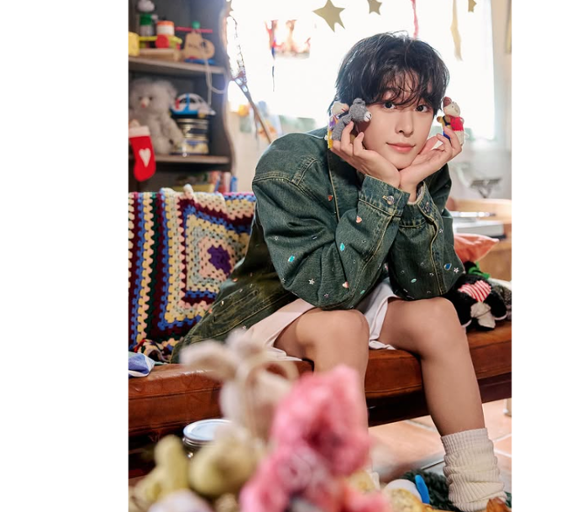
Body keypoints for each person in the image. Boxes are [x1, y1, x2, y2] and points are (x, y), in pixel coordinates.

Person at [172, 32, 506, 512]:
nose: (408, 127)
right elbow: (330, 290)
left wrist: (411, 189)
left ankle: (481, 492)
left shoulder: (424, 166)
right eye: (389, 104)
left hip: (359, 291)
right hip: (278, 304)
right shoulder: (291, 160)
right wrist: (383, 188)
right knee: (343, 325)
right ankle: (349, 492)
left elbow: (431, 285)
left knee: (438, 314)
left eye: (421, 108)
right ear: (351, 108)